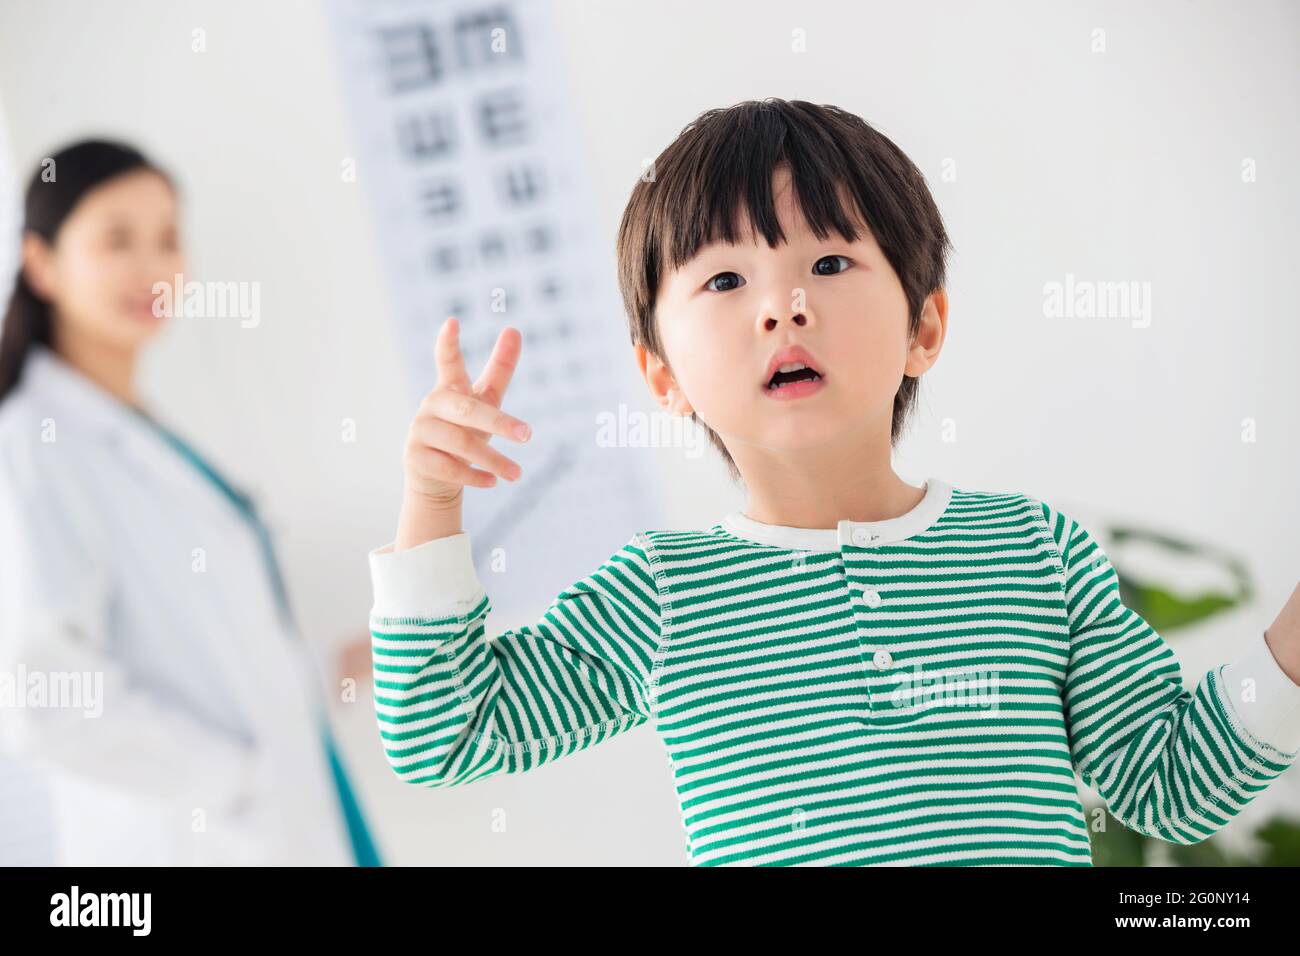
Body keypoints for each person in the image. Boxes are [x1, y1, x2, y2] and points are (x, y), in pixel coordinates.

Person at [364, 98, 1300, 866]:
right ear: (663, 376)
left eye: (829, 262)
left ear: (924, 329)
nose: (784, 306)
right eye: (726, 281)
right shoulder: (662, 593)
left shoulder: (1034, 551)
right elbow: (446, 734)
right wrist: (433, 501)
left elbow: (1174, 783)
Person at [0, 139, 380, 866]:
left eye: (168, 238)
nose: (152, 265)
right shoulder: (34, 444)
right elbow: (44, 700)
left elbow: (201, 654)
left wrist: (334, 669)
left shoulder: (138, 432)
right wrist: (238, 776)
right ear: (42, 264)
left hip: (286, 816)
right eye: (117, 240)